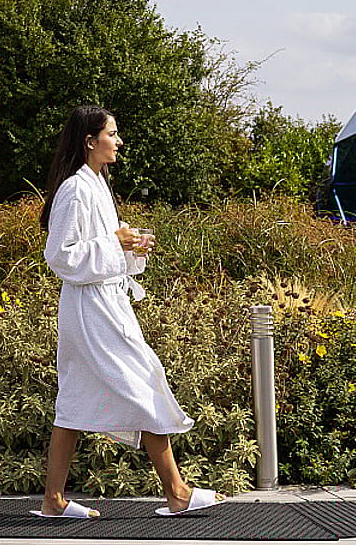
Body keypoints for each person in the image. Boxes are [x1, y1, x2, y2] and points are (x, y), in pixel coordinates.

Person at [32, 104, 223, 519]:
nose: (118, 142)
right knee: (144, 384)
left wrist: (131, 248)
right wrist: (115, 244)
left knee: (75, 397)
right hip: (91, 308)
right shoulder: (76, 189)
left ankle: (53, 501)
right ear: (90, 141)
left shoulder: (98, 184)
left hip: (104, 301)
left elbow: (104, 250)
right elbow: (59, 257)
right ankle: (177, 492)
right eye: (112, 134)